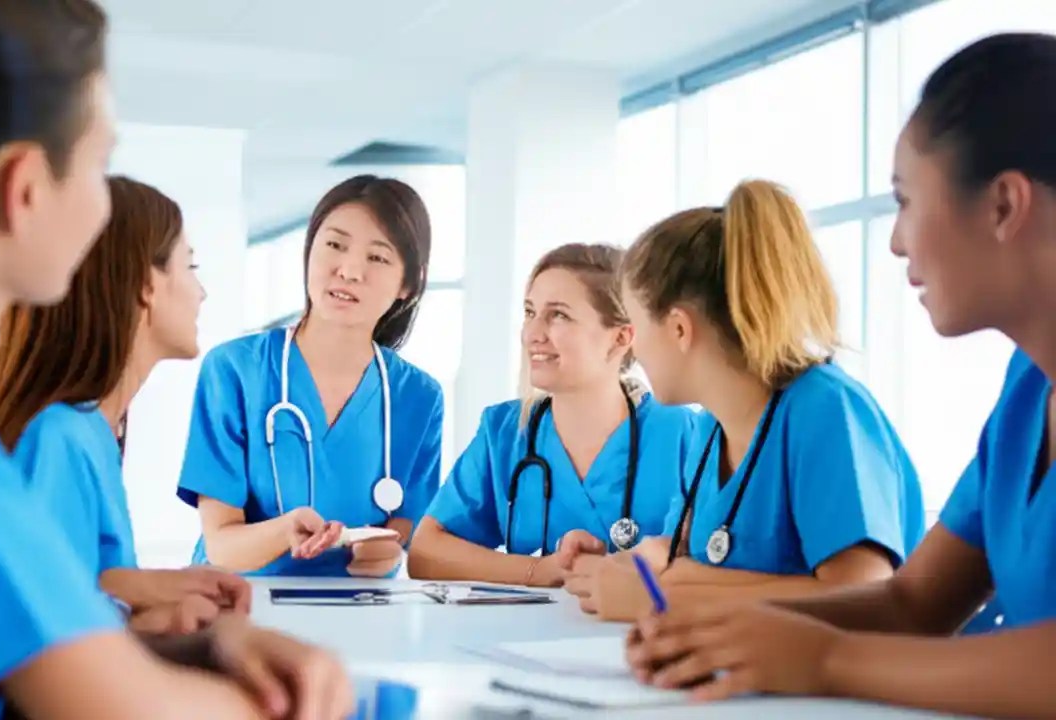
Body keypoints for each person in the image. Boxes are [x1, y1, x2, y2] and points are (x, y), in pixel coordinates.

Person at [0, 2, 351, 718]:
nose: (105, 209)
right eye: (97, 164)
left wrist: (197, 650)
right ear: (24, 189)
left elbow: (1, 659)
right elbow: (111, 710)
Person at [623, 33, 1056, 719]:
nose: (895, 240)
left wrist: (824, 658)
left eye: (906, 202)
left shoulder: (823, 407)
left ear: (1003, 206)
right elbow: (913, 600)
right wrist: (732, 630)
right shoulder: (1026, 395)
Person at [563, 179, 925, 621]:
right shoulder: (713, 430)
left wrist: (667, 596)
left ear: (679, 329)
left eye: (637, 326)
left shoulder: (826, 411)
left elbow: (863, 589)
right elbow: (680, 551)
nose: (632, 351)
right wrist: (624, 564)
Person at [0, 175, 250, 635]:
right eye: (191, 266)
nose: (202, 292)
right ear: (147, 284)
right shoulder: (58, 438)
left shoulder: (96, 429)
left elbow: (78, 577)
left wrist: (155, 591)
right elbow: (42, 630)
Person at [177, 175, 444, 578]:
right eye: (335, 245)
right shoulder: (235, 370)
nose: (350, 271)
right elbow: (222, 546)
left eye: (378, 257)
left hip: (359, 612)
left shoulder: (419, 398)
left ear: (409, 283)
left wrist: (375, 556)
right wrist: (286, 531)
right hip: (239, 609)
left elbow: (401, 533)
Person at [407, 243, 695, 586]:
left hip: (643, 633)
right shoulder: (505, 432)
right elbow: (425, 552)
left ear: (620, 338)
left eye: (558, 315)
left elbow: (710, 563)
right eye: (530, 312)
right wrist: (538, 571)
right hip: (518, 639)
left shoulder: (685, 433)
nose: (533, 334)